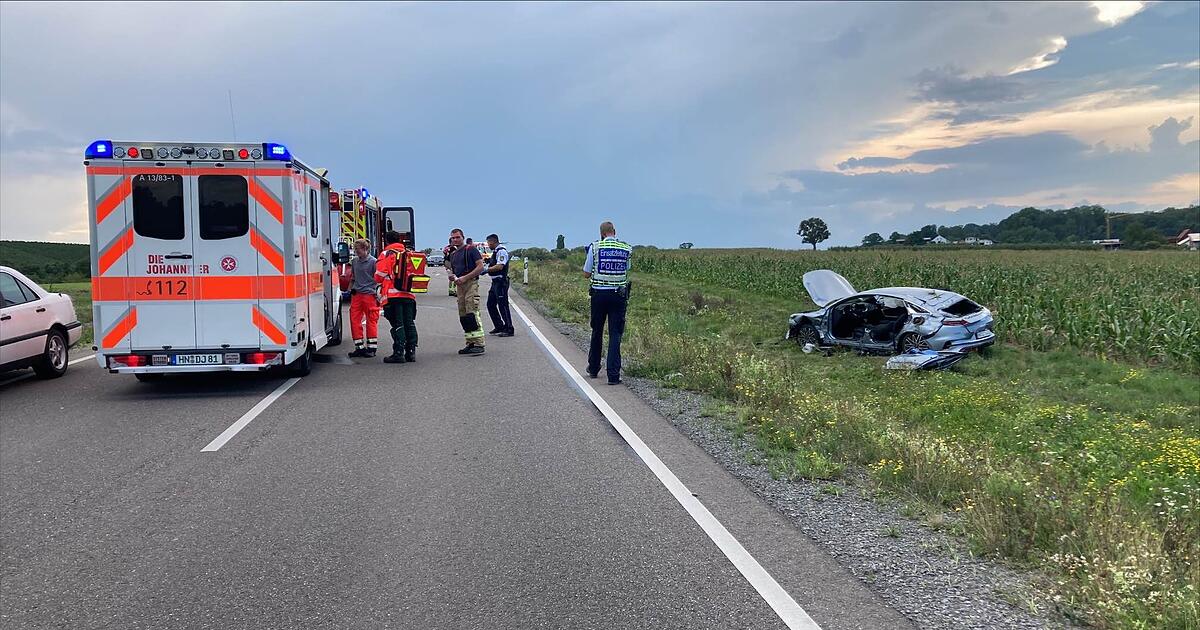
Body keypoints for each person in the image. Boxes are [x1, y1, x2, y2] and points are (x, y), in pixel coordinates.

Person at [582, 221, 632, 385]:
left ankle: (594, 368)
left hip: (599, 295)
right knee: (615, 334)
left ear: (601, 233)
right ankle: (613, 375)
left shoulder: (594, 247)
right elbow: (627, 269)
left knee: (597, 330)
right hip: (618, 296)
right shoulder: (626, 248)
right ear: (614, 232)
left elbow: (586, 273)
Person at [375, 230, 418, 364]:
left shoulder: (386, 254)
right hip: (409, 294)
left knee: (397, 323)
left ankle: (398, 352)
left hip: (393, 296)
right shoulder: (409, 253)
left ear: (386, 240)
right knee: (409, 322)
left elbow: (379, 276)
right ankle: (411, 352)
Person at [447, 228, 486, 355]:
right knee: (463, 314)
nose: (455, 239)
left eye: (457, 237)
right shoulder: (453, 254)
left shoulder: (471, 250)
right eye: (453, 238)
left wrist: (465, 277)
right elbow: (454, 270)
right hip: (460, 285)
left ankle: (479, 343)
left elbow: (480, 267)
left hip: (470, 283)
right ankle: (470, 342)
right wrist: (453, 277)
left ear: (463, 237)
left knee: (472, 311)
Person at [344, 239, 381, 358]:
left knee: (371, 321)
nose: (356, 253)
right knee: (354, 320)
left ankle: (371, 348)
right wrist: (349, 290)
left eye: (358, 250)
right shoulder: (355, 261)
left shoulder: (374, 262)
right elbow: (353, 277)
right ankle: (359, 347)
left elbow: (378, 279)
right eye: (355, 250)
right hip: (357, 295)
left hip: (370, 295)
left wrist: (378, 294)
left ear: (365, 249)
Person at [484, 233, 514, 337]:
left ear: (493, 241)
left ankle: (509, 328)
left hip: (501, 282)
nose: (488, 245)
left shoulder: (501, 251)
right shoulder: (496, 252)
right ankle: (499, 326)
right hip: (495, 282)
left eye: (488, 243)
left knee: (503, 305)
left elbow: (500, 266)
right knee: (490, 304)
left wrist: (487, 270)